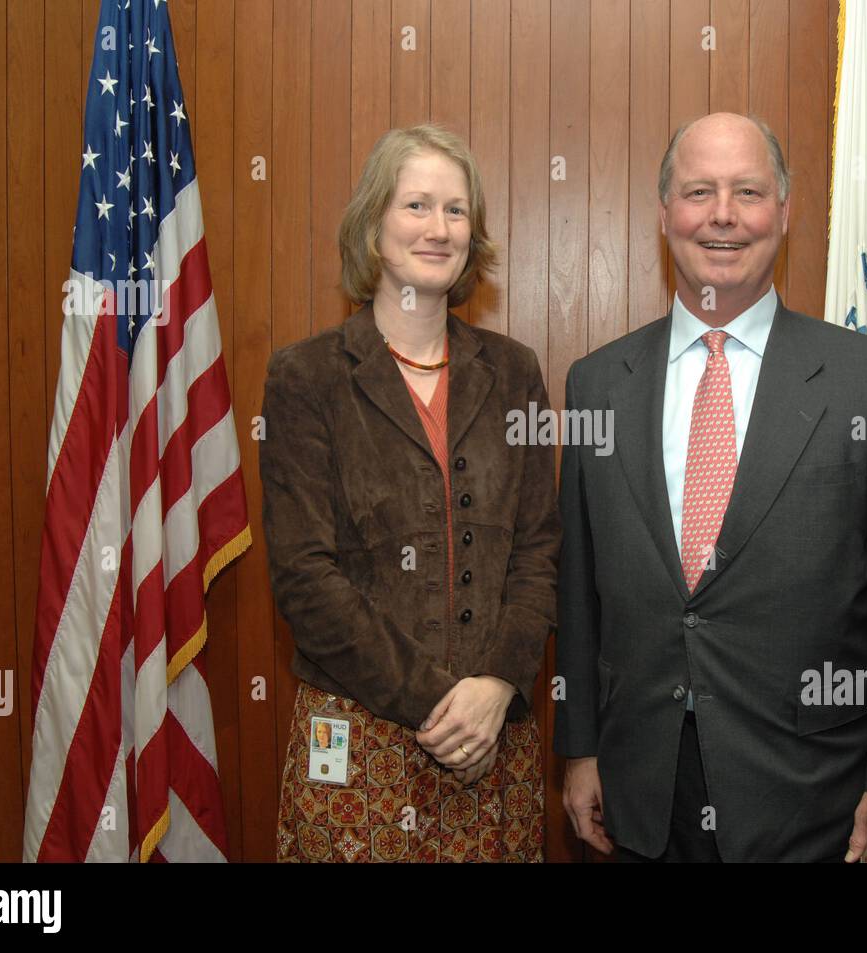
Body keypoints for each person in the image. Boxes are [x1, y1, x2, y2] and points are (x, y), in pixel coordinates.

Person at [554, 112, 867, 862]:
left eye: (748, 192)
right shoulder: (597, 384)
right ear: (665, 211)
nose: (723, 215)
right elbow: (578, 591)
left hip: (814, 802)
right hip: (641, 796)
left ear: (786, 212)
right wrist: (577, 748)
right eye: (699, 191)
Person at [262, 124, 560, 862]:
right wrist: (437, 701)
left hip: (494, 739)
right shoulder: (307, 378)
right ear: (373, 224)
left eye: (456, 210)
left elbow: (539, 549)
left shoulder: (515, 372)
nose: (439, 228)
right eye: (417, 205)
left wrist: (494, 683)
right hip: (359, 746)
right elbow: (304, 575)